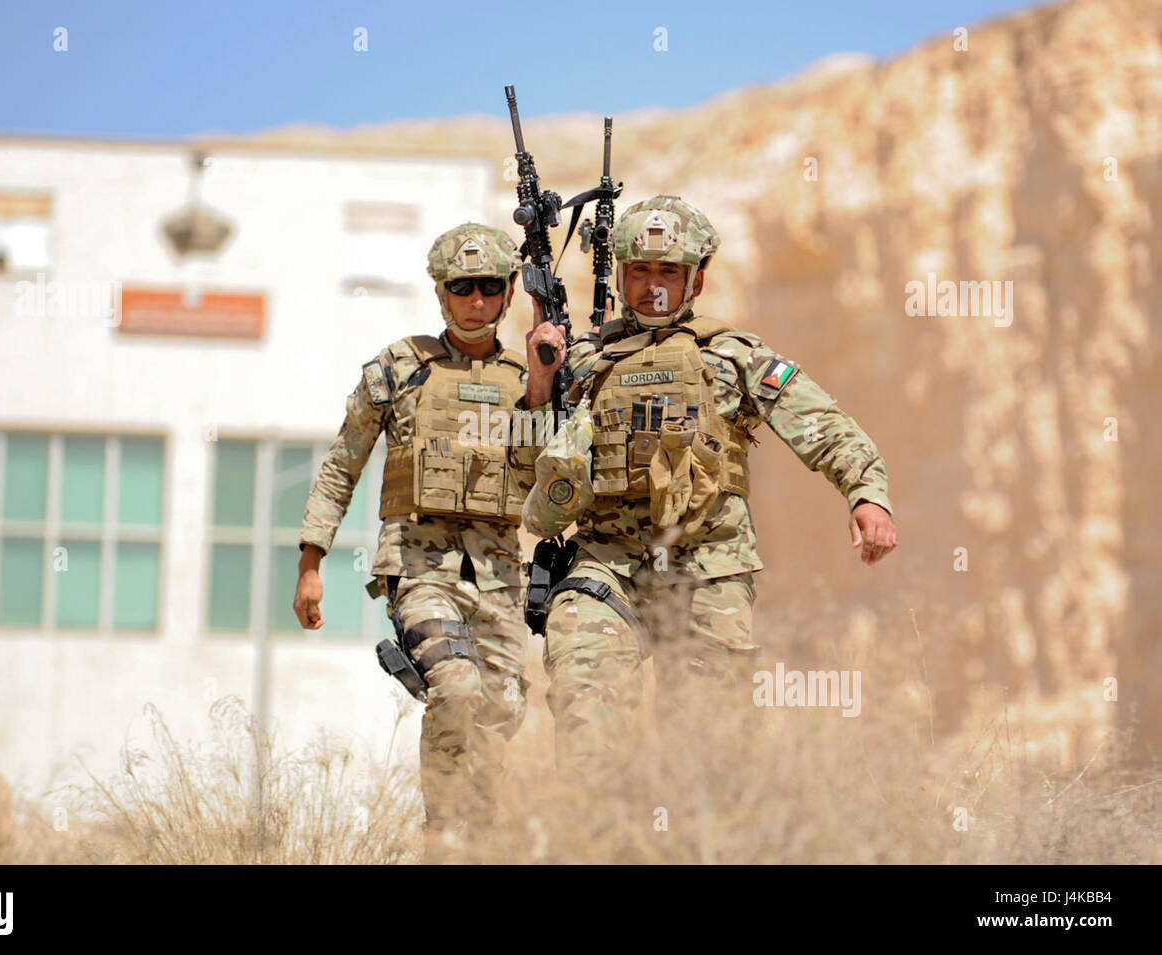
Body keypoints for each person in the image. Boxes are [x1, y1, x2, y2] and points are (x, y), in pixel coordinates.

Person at [512, 194, 899, 790]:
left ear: (696, 280)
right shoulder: (583, 361)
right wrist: (541, 382)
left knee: (707, 752)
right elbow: (525, 469)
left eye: (668, 272)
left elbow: (821, 424)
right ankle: (601, 832)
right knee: (587, 711)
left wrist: (867, 492)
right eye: (640, 270)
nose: (653, 286)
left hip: (707, 567)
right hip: (606, 563)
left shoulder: (733, 356)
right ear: (621, 274)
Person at [295, 223, 531, 853]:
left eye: (489, 287)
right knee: (455, 686)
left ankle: (480, 842)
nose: (476, 301)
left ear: (510, 292)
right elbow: (343, 463)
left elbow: (562, 477)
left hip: (501, 577)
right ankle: (443, 837)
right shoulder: (398, 369)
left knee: (500, 715)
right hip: (420, 569)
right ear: (440, 291)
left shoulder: (528, 379)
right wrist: (311, 562)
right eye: (463, 287)